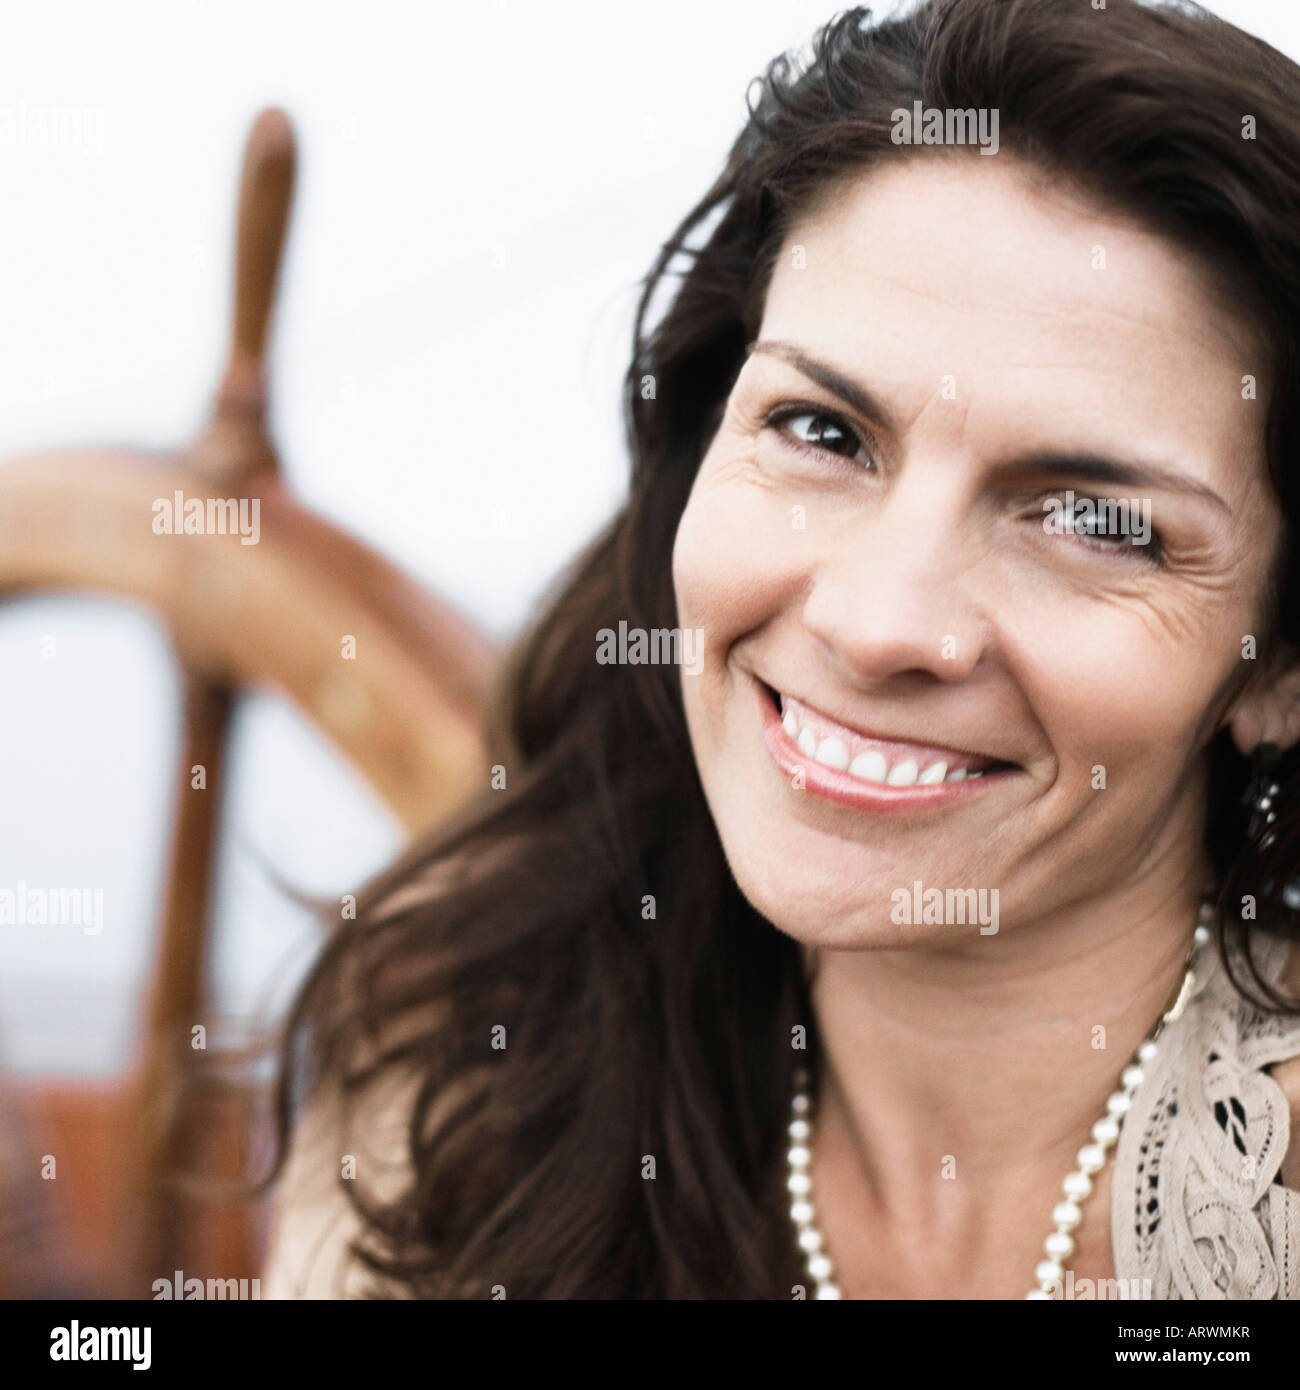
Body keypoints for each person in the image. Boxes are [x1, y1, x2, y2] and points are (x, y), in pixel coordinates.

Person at [262, 0, 1300, 1299]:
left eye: (1092, 519)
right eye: (822, 432)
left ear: (1278, 667)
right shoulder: (456, 1063)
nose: (876, 624)